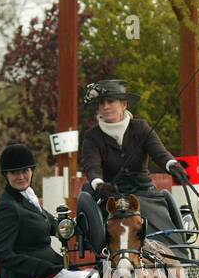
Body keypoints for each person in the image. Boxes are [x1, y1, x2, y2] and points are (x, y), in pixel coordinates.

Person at [74, 79, 192, 255]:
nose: (106, 106)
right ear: (97, 108)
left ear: (123, 104)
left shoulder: (141, 128)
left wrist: (173, 165)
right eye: (101, 103)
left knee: (172, 244)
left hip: (145, 195)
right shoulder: (92, 137)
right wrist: (100, 185)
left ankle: (179, 266)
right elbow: (92, 167)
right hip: (112, 199)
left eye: (111, 101)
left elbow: (160, 153)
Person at [0, 143, 95, 278]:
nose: (21, 177)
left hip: (50, 273)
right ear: (6, 175)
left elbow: (53, 225)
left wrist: (79, 227)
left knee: (99, 276)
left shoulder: (27, 199)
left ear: (31, 170)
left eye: (25, 171)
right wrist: (40, 267)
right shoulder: (9, 207)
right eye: (14, 172)